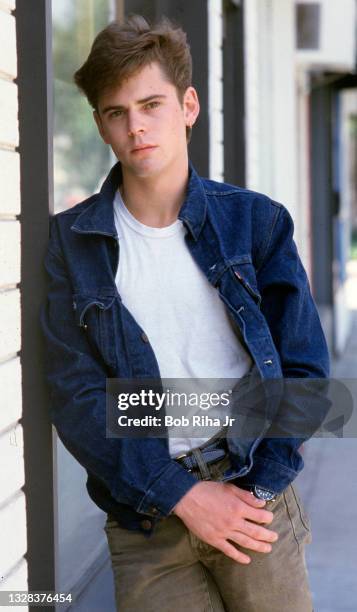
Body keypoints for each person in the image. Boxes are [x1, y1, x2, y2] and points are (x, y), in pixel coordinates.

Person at [41, 14, 329, 612]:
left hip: (252, 496)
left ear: (189, 105)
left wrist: (263, 484)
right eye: (117, 112)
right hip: (145, 518)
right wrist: (182, 495)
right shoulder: (72, 243)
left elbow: (304, 369)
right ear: (99, 125)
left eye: (151, 104)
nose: (136, 126)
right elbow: (76, 395)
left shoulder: (255, 222)